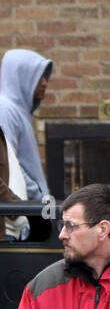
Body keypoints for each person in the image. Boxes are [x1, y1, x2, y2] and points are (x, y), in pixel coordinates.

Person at [0, 48, 53, 202]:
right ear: (21, 76)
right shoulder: (5, 110)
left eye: (45, 76)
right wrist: (36, 196)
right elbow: (9, 165)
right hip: (23, 209)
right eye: (38, 76)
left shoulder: (19, 111)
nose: (45, 83)